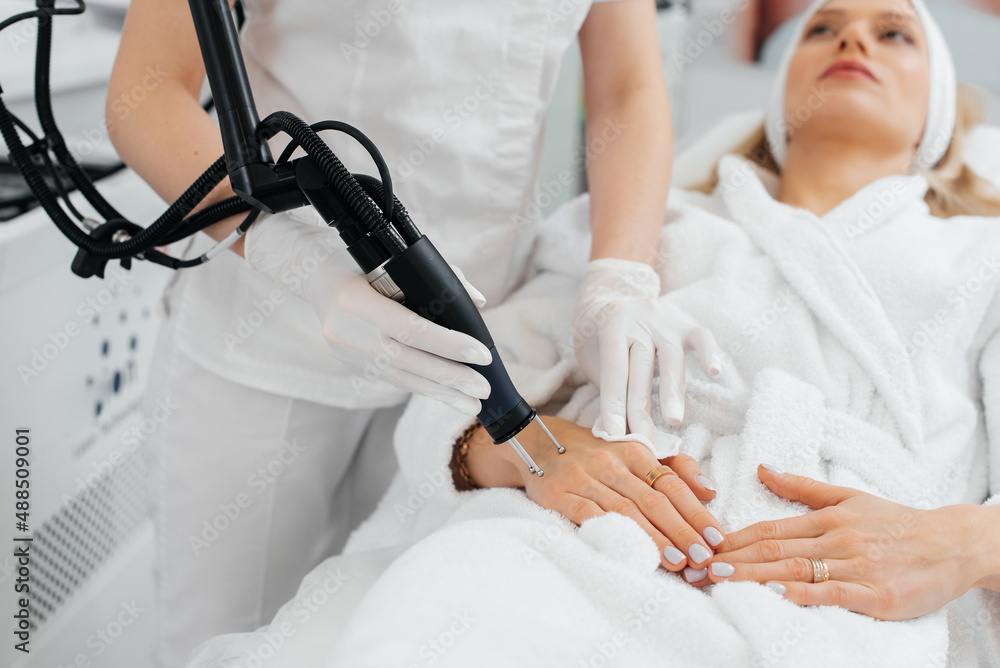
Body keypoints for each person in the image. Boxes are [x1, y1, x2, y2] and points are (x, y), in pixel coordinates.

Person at [305, 0, 1000, 663]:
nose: (853, 41)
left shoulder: (984, 259)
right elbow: (459, 388)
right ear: (779, 95)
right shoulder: (638, 228)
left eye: (894, 34)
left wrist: (956, 543)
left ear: (937, 112)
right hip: (592, 535)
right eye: (822, 30)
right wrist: (532, 452)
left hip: (848, 584)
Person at [105, 0, 722, 665]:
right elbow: (146, 95)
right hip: (264, 336)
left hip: (471, 352)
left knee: (401, 631)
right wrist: (303, 264)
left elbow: (628, 87)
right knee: (221, 644)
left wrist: (621, 276)